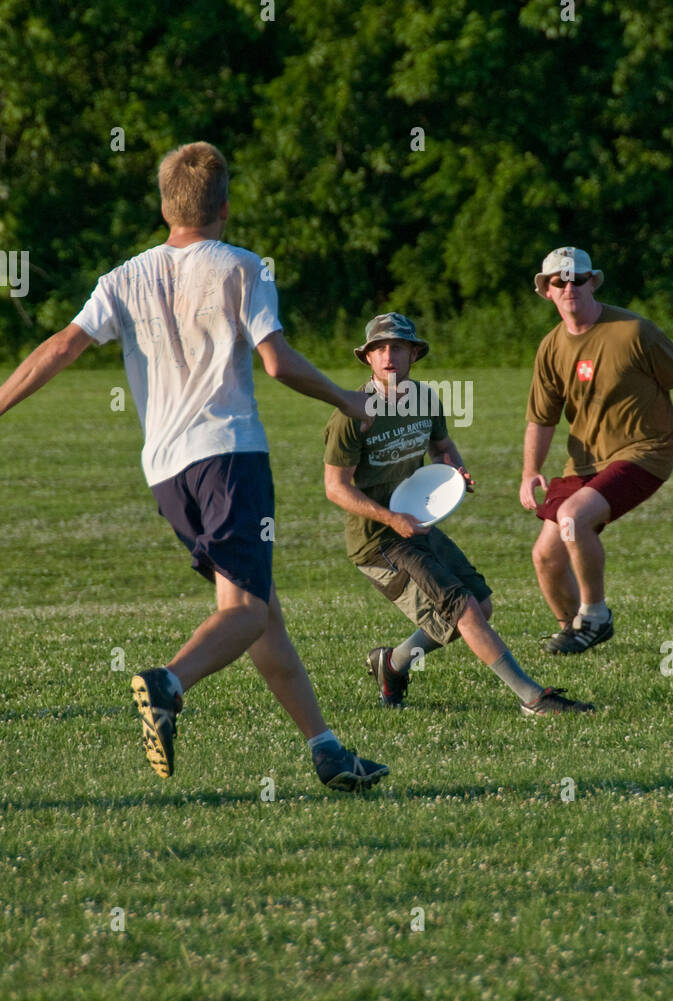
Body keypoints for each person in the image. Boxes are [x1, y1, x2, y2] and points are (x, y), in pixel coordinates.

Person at [0, 141, 388, 791]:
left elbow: (64, 345)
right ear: (226, 207)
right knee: (246, 610)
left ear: (163, 208)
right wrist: (349, 397)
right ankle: (166, 684)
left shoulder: (122, 277)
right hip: (229, 455)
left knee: (258, 610)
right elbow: (278, 361)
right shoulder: (241, 267)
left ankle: (326, 749)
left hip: (166, 473)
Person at [323, 312, 594, 716]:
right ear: (368, 359)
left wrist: (454, 469)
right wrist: (391, 519)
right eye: (378, 348)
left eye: (397, 346)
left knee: (481, 606)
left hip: (415, 525)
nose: (387, 356)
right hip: (378, 541)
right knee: (463, 607)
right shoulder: (351, 414)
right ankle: (533, 697)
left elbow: (442, 447)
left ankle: (393, 664)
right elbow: (335, 488)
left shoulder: (425, 400)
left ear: (414, 353)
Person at [520, 246, 673, 655]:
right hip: (584, 462)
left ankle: (595, 615)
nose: (569, 287)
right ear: (546, 290)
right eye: (559, 281)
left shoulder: (634, 331)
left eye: (578, 278)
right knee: (545, 557)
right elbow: (542, 418)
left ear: (592, 282)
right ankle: (575, 630)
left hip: (645, 450)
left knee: (574, 518)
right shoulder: (550, 347)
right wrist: (530, 471)